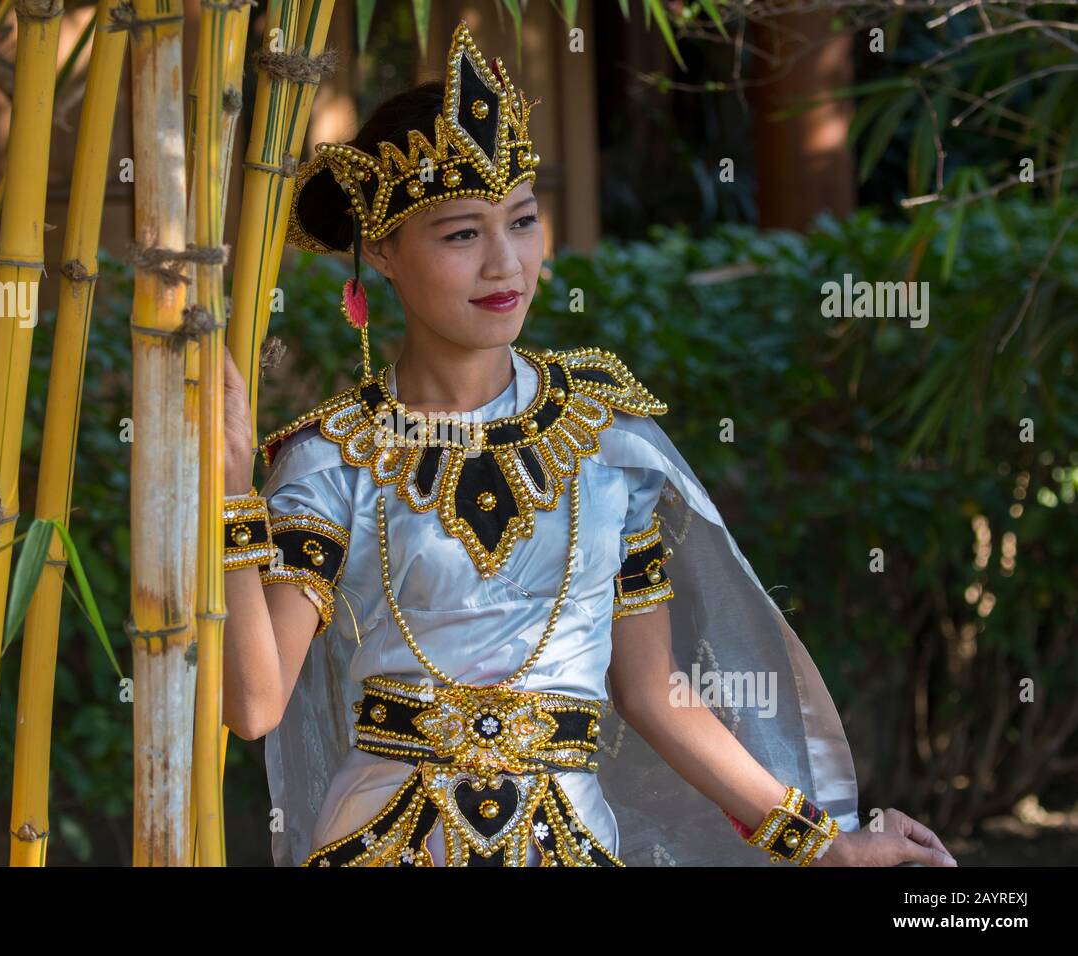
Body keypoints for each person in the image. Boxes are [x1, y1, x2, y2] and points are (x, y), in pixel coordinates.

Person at [218, 19, 956, 868]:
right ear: (381, 251)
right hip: (381, 846)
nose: (507, 264)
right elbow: (255, 705)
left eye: (523, 221)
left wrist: (825, 847)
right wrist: (234, 493)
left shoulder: (604, 442)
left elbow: (655, 697)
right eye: (462, 234)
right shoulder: (330, 457)